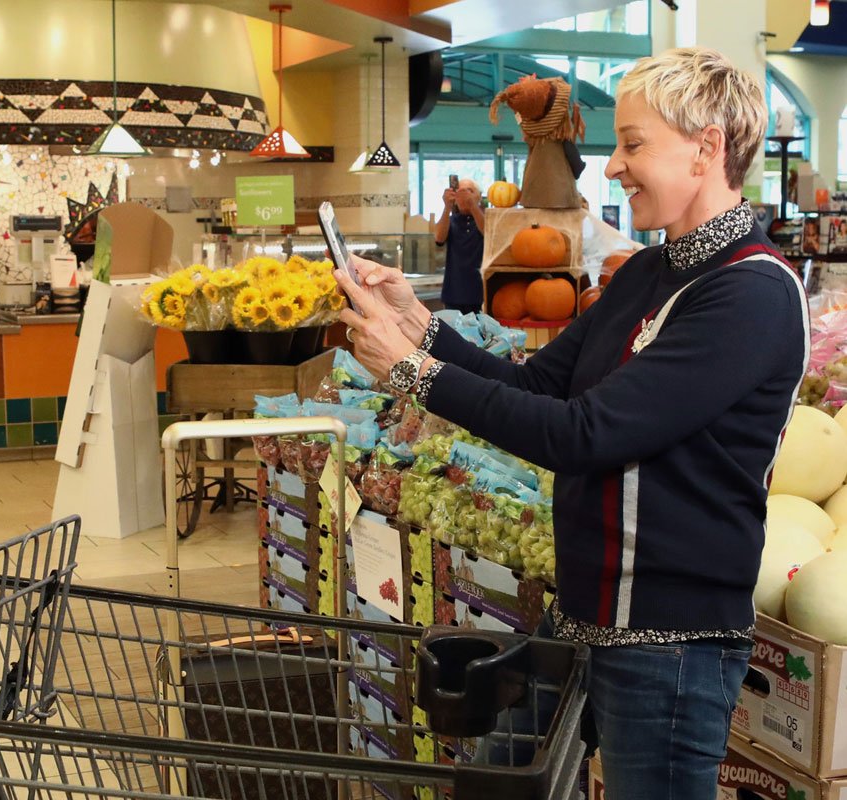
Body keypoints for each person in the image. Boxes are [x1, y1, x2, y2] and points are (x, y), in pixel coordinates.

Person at [334, 48, 805, 799]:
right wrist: (417, 324)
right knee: (496, 786)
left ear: (708, 146)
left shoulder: (752, 294)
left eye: (633, 143)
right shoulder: (650, 273)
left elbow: (583, 433)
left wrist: (412, 374)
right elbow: (539, 385)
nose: (611, 166)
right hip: (581, 615)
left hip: (668, 644)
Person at [434, 177, 486, 314]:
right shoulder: (450, 220)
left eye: (470, 191)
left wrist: (473, 206)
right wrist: (447, 207)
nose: (465, 195)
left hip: (481, 291)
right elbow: (439, 238)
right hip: (454, 290)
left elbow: (488, 234)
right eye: (460, 192)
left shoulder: (486, 219)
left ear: (479, 196)